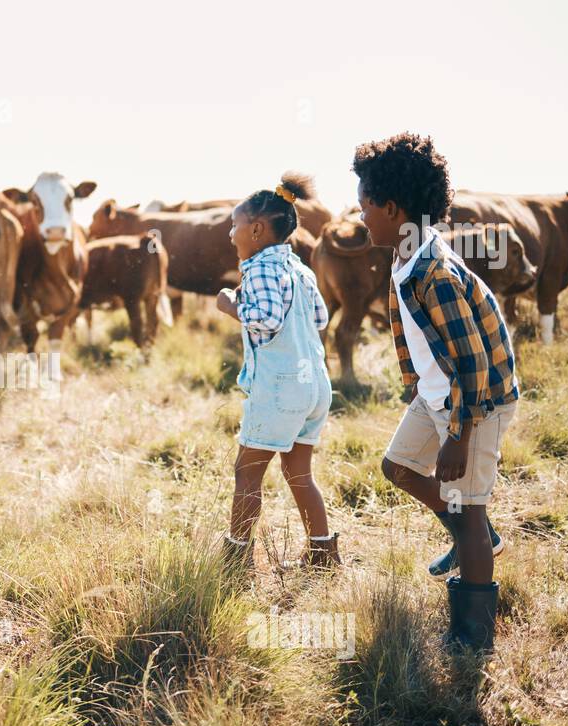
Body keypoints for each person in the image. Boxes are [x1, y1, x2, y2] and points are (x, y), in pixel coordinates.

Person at [352, 132, 518, 652]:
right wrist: (420, 392)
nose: (359, 216)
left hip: (476, 400)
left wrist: (458, 438)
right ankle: (473, 532)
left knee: (469, 511)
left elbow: (470, 362)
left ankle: (473, 636)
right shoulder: (407, 256)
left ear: (393, 207)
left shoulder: (434, 272)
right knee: (398, 467)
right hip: (438, 393)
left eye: (364, 206)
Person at [215, 173, 337, 570]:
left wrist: (231, 305)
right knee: (298, 470)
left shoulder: (260, 269)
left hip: (281, 388)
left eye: (235, 226)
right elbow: (320, 317)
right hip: (314, 385)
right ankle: (322, 552)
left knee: (246, 473)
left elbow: (264, 319)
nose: (231, 234)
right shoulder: (298, 268)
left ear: (256, 229)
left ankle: (236, 560)